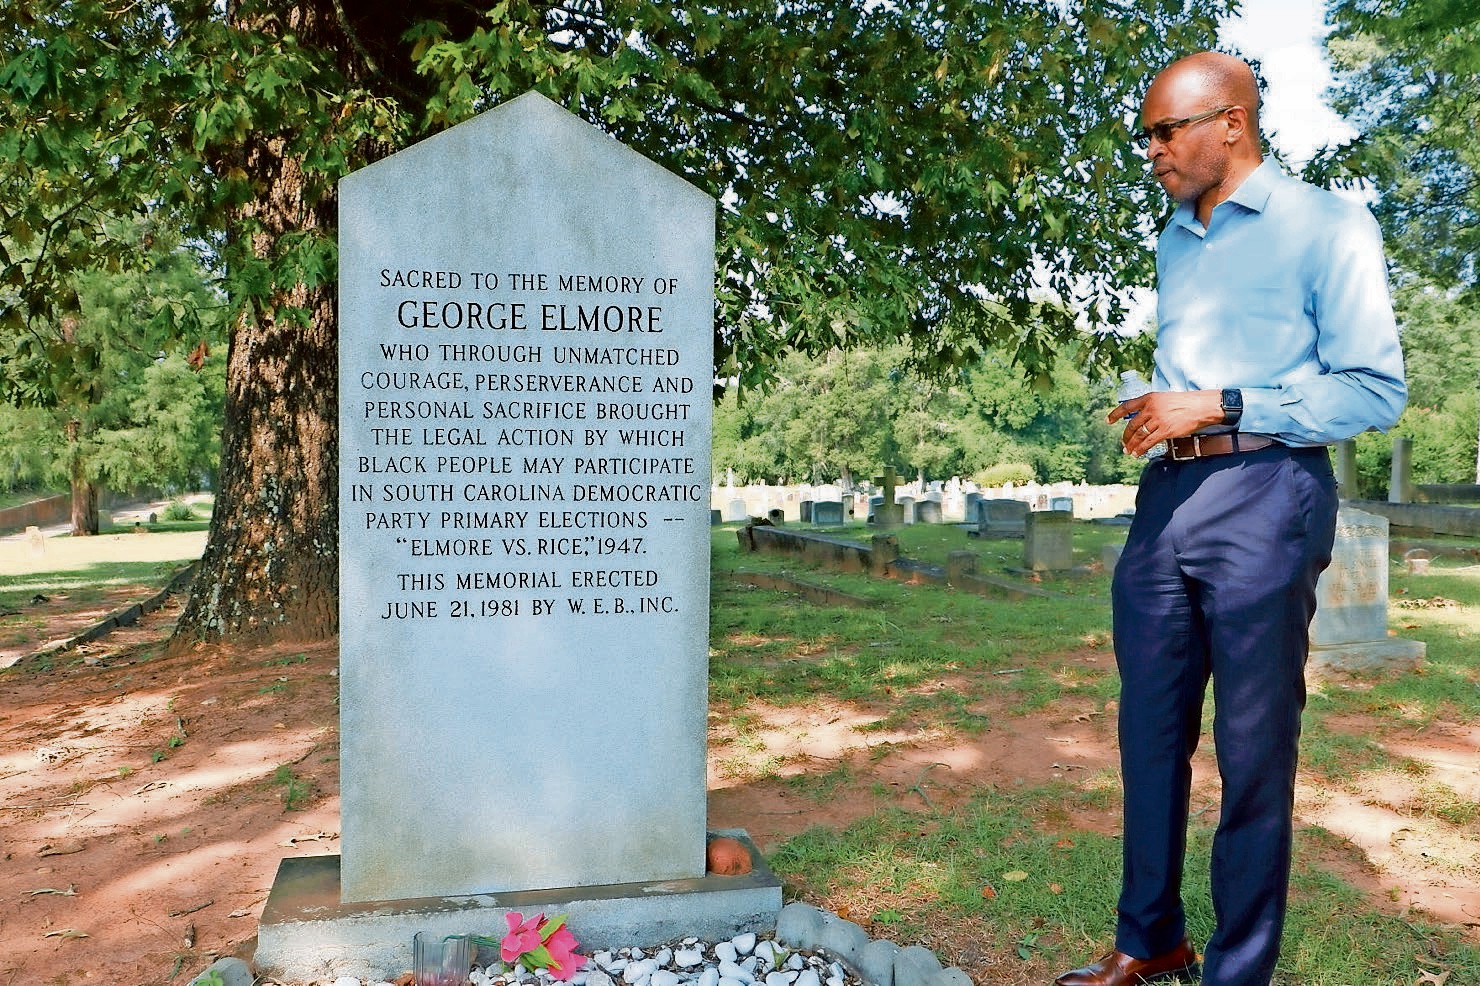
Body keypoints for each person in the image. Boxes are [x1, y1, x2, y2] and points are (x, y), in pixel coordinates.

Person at [1054, 52, 1407, 986]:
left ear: (1232, 123)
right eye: (1146, 136)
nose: (1153, 151)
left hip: (1268, 492)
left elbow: (1373, 387)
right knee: (1150, 727)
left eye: (1166, 132)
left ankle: (1237, 971)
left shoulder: (1328, 224)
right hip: (1168, 497)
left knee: (1254, 742)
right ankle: (1149, 939)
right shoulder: (1174, 236)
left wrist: (1221, 404)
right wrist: (1167, 408)